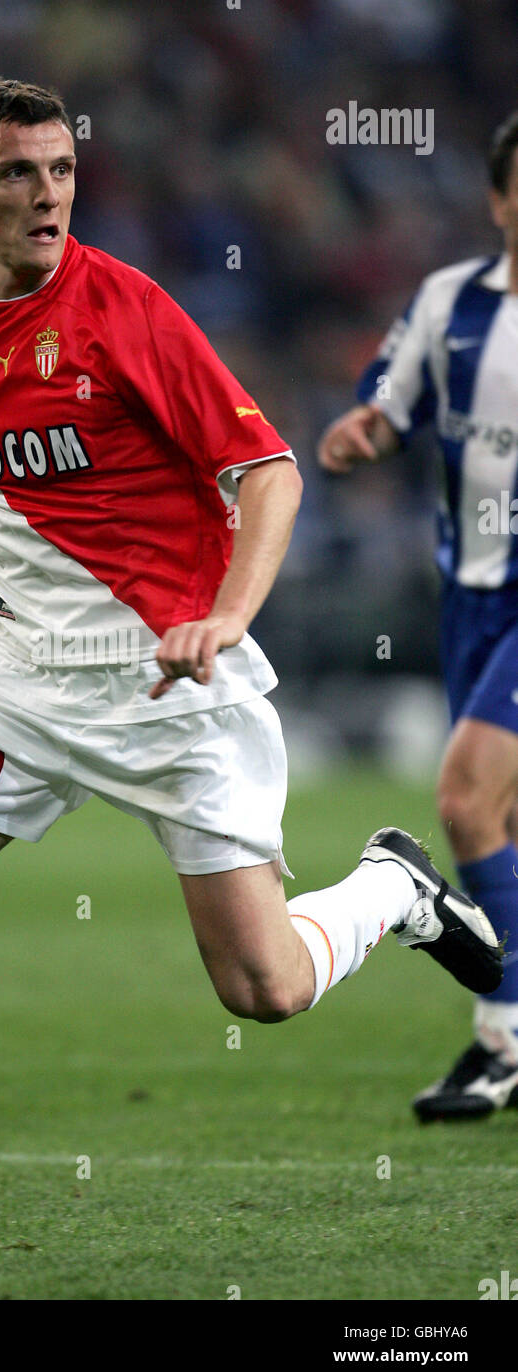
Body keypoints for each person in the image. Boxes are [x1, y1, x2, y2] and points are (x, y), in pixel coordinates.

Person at [0, 76, 501, 1245]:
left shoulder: (125, 312)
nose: (47, 194)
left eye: (61, 170)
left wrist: (222, 613)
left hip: (171, 682)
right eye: (17, 173)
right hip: (16, 682)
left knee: (261, 989)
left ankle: (392, 890)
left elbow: (266, 472)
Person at [318, 112, 518, 1122]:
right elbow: (384, 406)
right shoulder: (449, 301)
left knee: (462, 798)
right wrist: (359, 434)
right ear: (497, 199)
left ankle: (500, 1034)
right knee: (505, 818)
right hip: (469, 595)